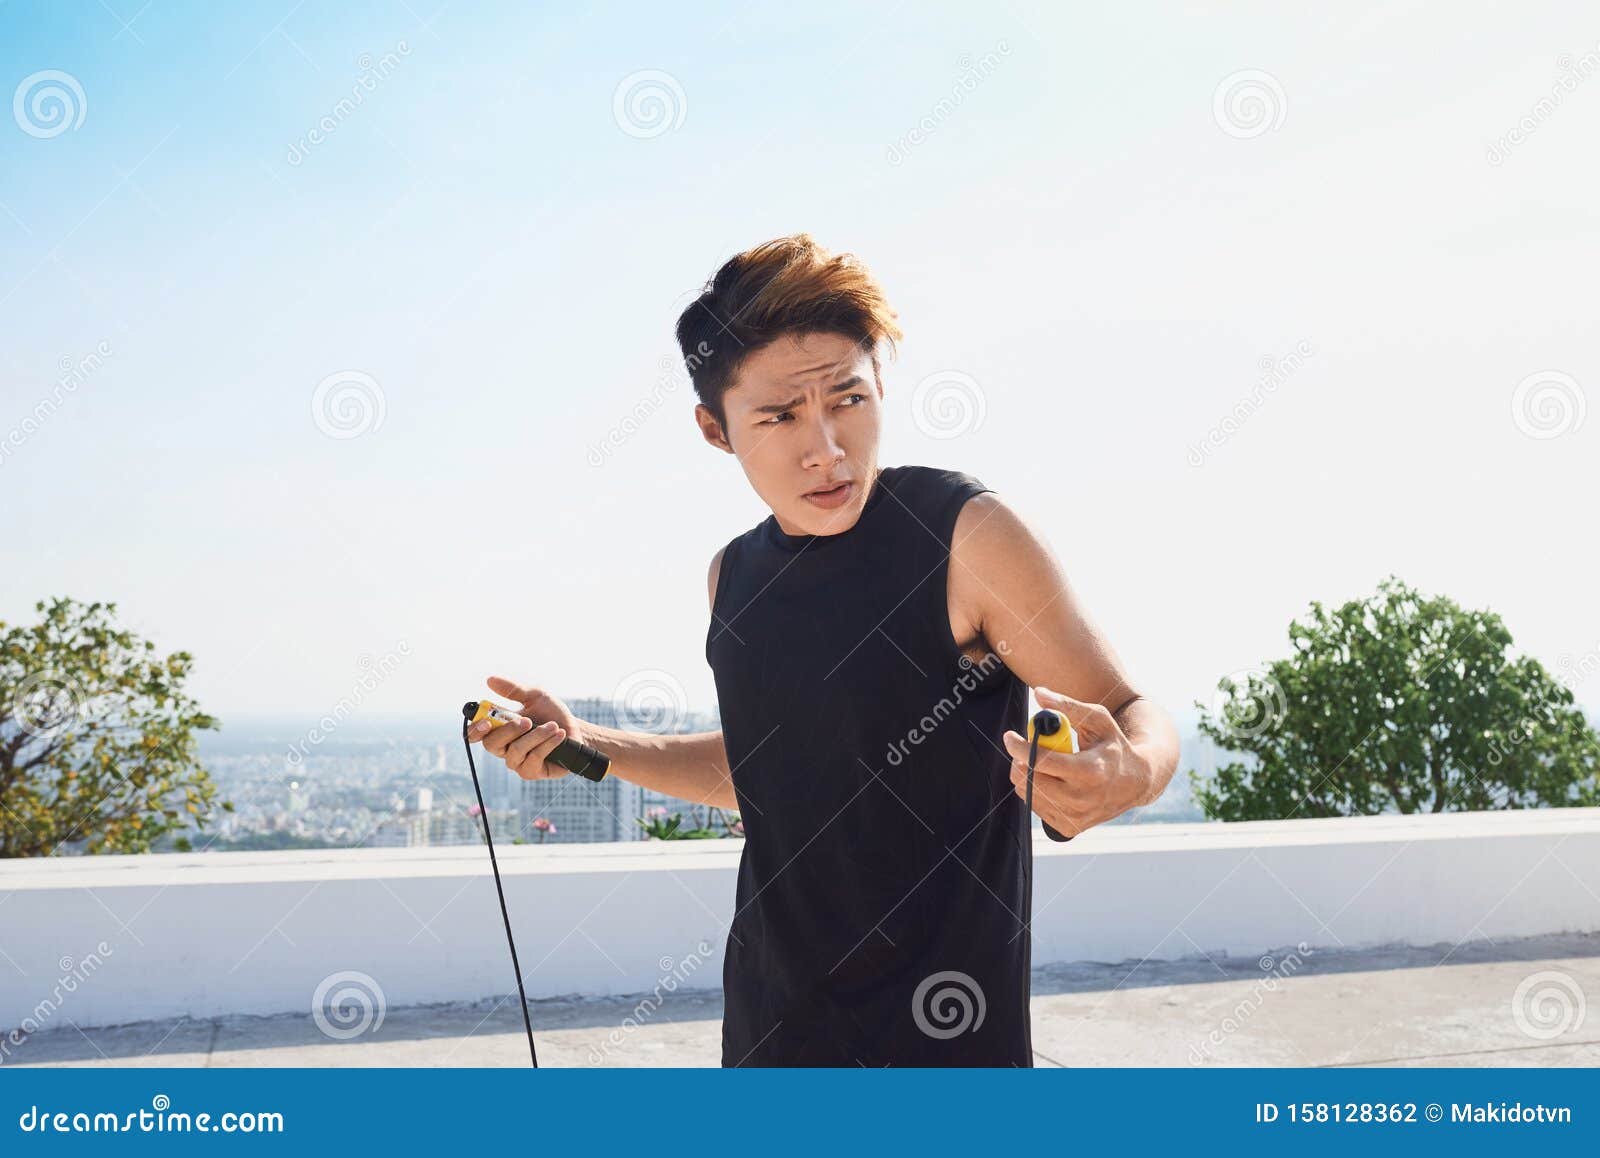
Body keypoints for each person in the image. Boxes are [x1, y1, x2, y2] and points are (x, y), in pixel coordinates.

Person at [470, 234, 1180, 1067]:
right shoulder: (731, 577)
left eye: (846, 400)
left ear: (879, 383)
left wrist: (1130, 772)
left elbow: (1134, 714)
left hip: (947, 1046)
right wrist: (586, 752)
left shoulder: (963, 534)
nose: (827, 447)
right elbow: (766, 777)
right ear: (715, 429)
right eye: (779, 416)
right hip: (769, 1032)